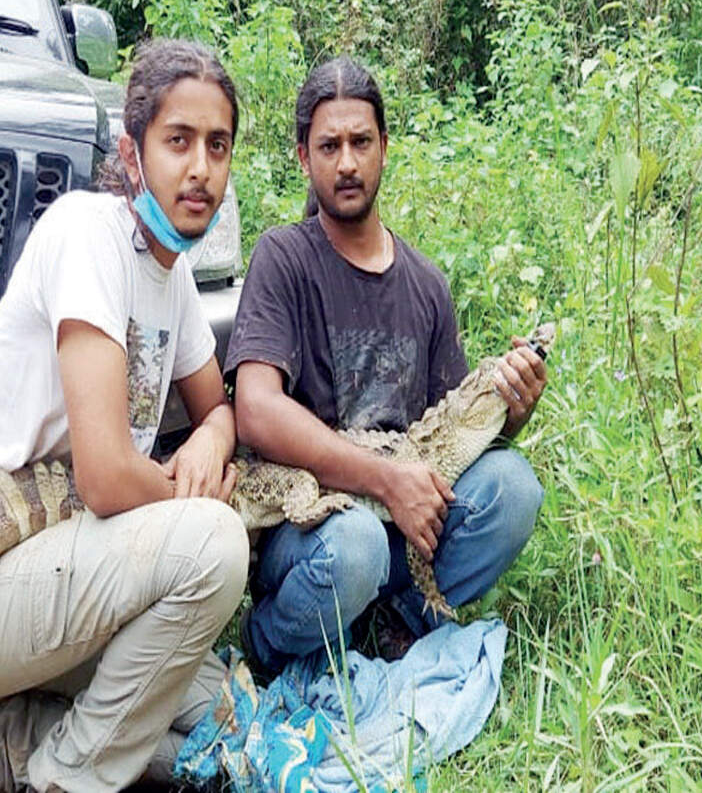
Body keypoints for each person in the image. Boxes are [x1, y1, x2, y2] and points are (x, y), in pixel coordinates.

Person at [0, 39, 249, 793]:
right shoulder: (88, 232)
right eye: (178, 141)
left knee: (226, 712)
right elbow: (110, 478)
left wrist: (214, 433)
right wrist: (202, 500)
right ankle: (63, 780)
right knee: (212, 545)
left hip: (67, 573)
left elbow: (218, 406)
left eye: (217, 146)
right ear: (132, 151)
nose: (200, 169)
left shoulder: (172, 276)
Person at [224, 56, 546, 675]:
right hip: (318, 531)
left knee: (512, 488)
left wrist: (513, 412)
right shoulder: (283, 258)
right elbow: (255, 410)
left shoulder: (425, 283)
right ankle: (269, 641)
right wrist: (382, 480)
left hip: (404, 526)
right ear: (303, 157)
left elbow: (451, 442)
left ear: (384, 148)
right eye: (329, 145)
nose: (347, 162)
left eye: (361, 142)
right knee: (357, 544)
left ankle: (399, 618)